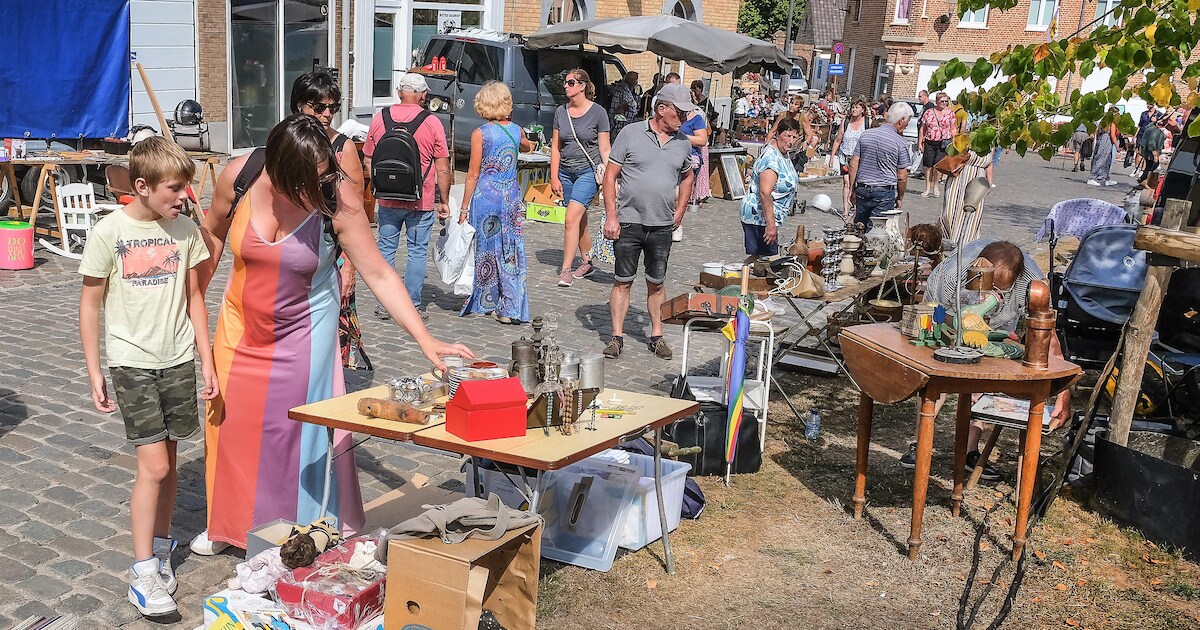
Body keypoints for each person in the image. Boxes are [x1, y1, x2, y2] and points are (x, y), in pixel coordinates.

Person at [195, 115, 474, 554]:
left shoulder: (336, 198)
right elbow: (210, 233)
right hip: (240, 329)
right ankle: (228, 526)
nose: (326, 183)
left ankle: (298, 532)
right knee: (231, 428)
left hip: (304, 333)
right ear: (282, 172)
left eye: (328, 174)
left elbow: (379, 273)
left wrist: (425, 339)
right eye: (315, 178)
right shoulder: (241, 175)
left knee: (296, 436)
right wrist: (190, 303)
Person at [78, 137, 217, 617]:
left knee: (172, 464)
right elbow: (90, 302)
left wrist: (208, 360)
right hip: (131, 361)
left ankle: (160, 548)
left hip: (178, 359)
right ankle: (142, 572)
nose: (185, 196)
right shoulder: (109, 232)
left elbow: (195, 298)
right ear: (142, 186)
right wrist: (95, 369)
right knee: (153, 467)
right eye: (175, 188)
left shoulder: (185, 231)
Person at [899, 240, 1072, 478]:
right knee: (936, 384)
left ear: (1016, 279)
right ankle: (919, 443)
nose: (991, 295)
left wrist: (1064, 390)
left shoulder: (1032, 283)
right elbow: (932, 311)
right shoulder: (952, 274)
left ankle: (969, 452)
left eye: (1001, 288)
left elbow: (1047, 333)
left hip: (996, 327)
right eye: (988, 285)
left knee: (981, 386)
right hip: (949, 319)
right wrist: (961, 324)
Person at [601, 82, 695, 361]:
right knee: (623, 280)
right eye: (680, 113)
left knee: (657, 281)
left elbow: (688, 177)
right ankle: (616, 336)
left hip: (662, 224)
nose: (685, 119)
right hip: (629, 221)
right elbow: (610, 176)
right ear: (661, 109)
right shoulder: (630, 134)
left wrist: (680, 211)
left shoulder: (683, 143)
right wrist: (611, 216)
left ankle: (657, 335)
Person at [290, 71, 370, 369]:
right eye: (318, 107)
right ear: (299, 105)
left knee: (331, 333)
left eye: (332, 108)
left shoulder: (342, 148)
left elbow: (356, 212)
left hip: (331, 250)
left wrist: (349, 266)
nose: (327, 114)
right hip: (291, 247)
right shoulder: (287, 141)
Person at [364, 72, 452, 320]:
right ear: (424, 95)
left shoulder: (380, 118)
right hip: (419, 200)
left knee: (386, 250)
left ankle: (385, 304)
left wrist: (378, 185)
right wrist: (443, 200)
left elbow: (368, 157)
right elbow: (442, 167)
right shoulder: (432, 122)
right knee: (416, 252)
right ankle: (412, 304)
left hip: (387, 197)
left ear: (399, 92)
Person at [459, 82, 535, 324]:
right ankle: (511, 304)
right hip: (510, 196)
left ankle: (487, 299)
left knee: (487, 249)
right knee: (510, 249)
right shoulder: (516, 130)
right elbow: (528, 147)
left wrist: (463, 207)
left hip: (486, 196)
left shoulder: (480, 134)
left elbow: (472, 174)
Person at [550, 68, 610, 287]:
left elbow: (604, 148)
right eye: (565, 82)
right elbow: (556, 147)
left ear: (583, 86)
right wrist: (554, 176)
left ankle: (565, 269)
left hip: (588, 171)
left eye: (571, 82)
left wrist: (610, 174)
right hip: (566, 172)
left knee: (571, 218)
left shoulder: (598, 113)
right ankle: (587, 261)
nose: (566, 86)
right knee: (579, 218)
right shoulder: (560, 112)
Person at [741, 117, 801, 263]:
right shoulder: (771, 159)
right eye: (787, 136)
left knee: (762, 259)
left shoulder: (784, 154)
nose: (791, 141)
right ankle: (739, 281)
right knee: (766, 260)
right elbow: (765, 192)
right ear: (777, 134)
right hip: (759, 216)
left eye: (794, 137)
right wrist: (771, 225)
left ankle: (743, 280)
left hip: (767, 217)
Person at [848, 101, 913, 228]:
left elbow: (853, 163)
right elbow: (902, 176)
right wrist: (900, 197)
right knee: (877, 232)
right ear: (901, 120)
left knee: (858, 228)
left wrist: (852, 188)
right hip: (883, 191)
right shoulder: (900, 142)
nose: (907, 125)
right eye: (906, 122)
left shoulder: (866, 134)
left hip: (863, 188)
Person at [939, 150, 995, 244]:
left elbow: (989, 164)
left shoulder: (990, 142)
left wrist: (989, 182)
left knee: (972, 214)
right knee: (951, 211)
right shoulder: (965, 138)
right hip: (959, 179)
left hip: (978, 182)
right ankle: (949, 241)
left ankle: (966, 244)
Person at [830, 99, 871, 217]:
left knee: (857, 184)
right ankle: (846, 209)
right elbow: (838, 140)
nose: (854, 109)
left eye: (857, 107)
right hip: (845, 156)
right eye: (853, 107)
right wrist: (832, 157)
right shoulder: (846, 122)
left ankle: (857, 207)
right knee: (846, 183)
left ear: (862, 110)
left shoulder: (867, 123)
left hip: (860, 159)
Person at [680, 85, 711, 221]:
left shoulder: (697, 117)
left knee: (682, 189)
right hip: (671, 156)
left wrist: (681, 138)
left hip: (690, 157)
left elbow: (702, 139)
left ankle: (677, 219)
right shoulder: (673, 115)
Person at [918, 92, 957, 198]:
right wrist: (920, 142)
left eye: (946, 101)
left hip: (943, 142)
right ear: (936, 101)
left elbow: (953, 128)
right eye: (942, 101)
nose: (944, 103)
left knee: (938, 166)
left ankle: (936, 186)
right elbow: (923, 128)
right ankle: (927, 187)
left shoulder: (950, 113)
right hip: (930, 141)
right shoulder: (929, 112)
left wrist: (955, 142)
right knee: (928, 165)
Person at [1088, 106, 1121, 187]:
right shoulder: (1111, 123)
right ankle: (1094, 177)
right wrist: (1117, 146)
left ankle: (1104, 178)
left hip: (1101, 140)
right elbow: (1113, 135)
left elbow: (1096, 132)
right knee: (1102, 159)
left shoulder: (1103, 122)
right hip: (1106, 141)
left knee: (1104, 159)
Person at [1136, 116, 1167, 187]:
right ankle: (1143, 181)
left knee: (1148, 166)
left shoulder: (1150, 127)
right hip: (1150, 152)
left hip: (1147, 151)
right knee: (1152, 165)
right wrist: (1155, 155)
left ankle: (1142, 180)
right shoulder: (1154, 131)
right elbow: (1152, 143)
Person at [608, 71, 640, 138]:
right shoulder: (623, 88)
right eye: (635, 79)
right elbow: (623, 105)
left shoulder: (626, 88)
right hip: (620, 123)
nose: (636, 82)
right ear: (630, 79)